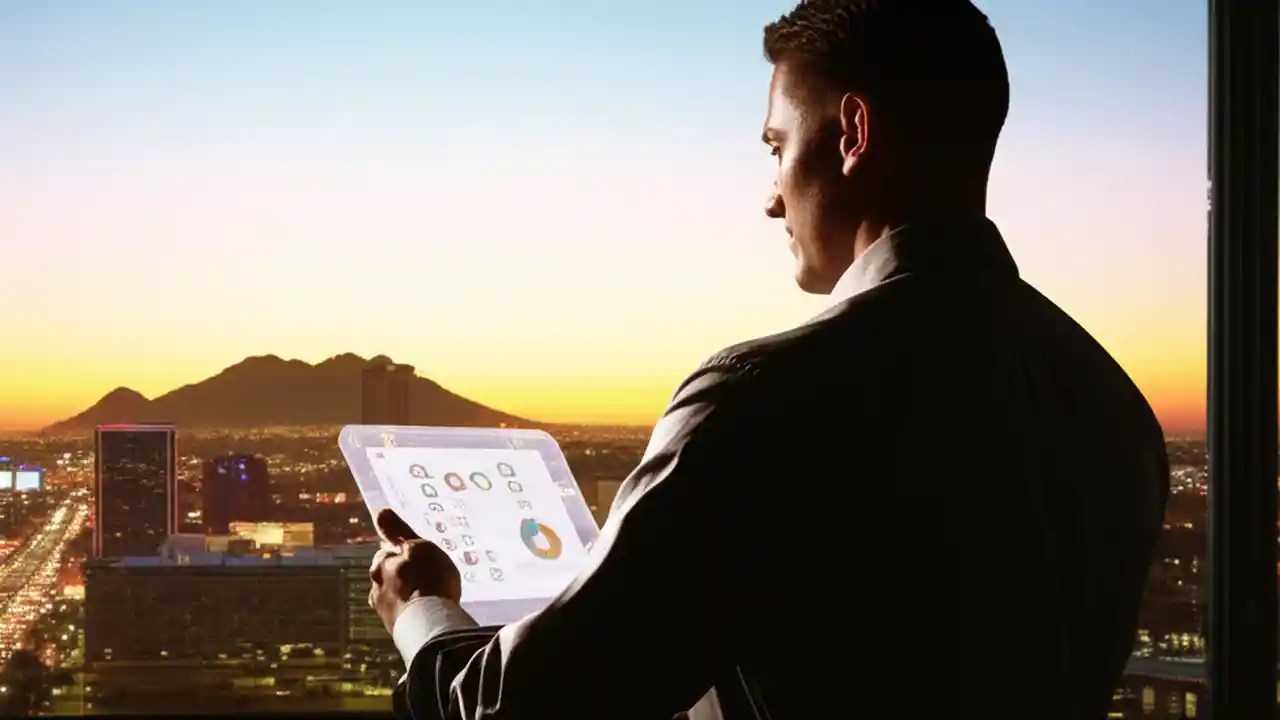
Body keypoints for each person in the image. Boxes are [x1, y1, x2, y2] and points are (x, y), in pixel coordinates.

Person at [368, 1, 1170, 718]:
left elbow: (529, 707)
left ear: (852, 134)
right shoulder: (1111, 406)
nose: (772, 197)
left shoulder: (765, 399)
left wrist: (424, 615)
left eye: (777, 145)